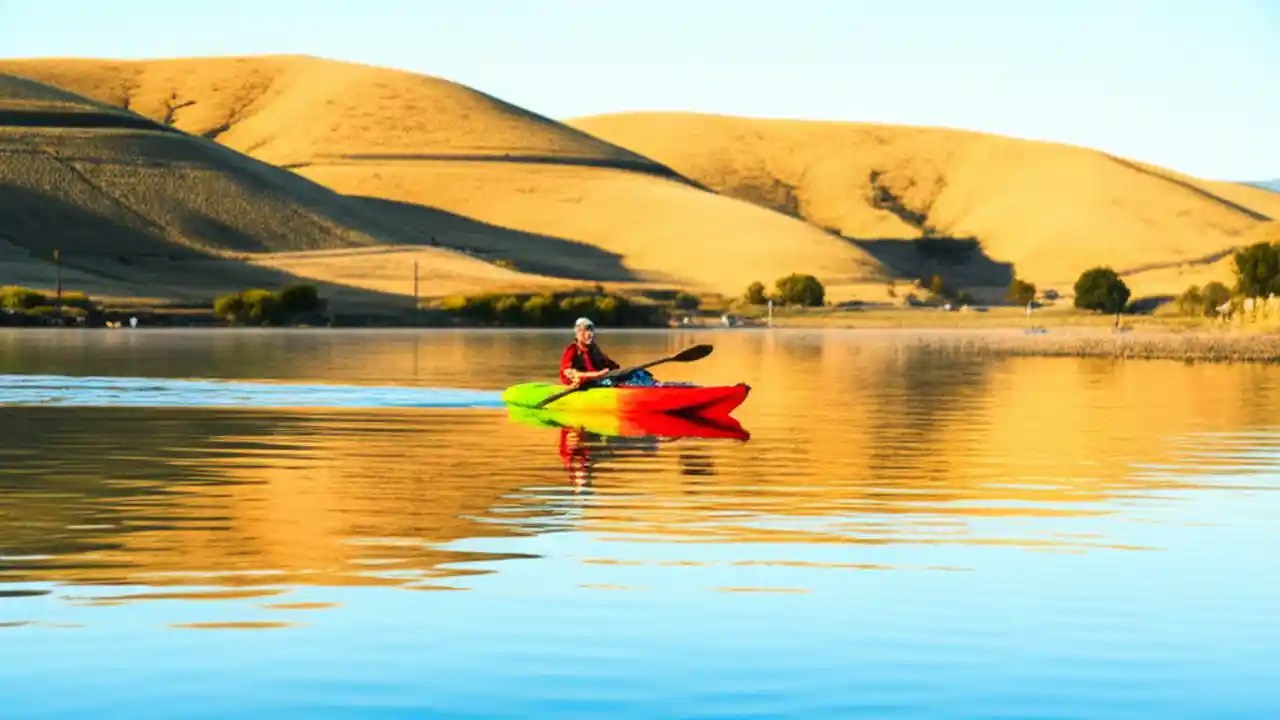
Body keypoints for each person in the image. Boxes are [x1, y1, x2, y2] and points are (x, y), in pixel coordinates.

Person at [559, 317, 657, 387]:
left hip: (600, 379)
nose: (589, 334)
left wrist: (625, 371)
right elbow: (569, 373)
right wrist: (596, 375)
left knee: (636, 373)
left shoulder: (594, 349)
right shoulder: (572, 350)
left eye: (590, 330)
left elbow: (612, 366)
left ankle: (656, 385)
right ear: (577, 333)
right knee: (612, 381)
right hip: (587, 384)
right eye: (584, 331)